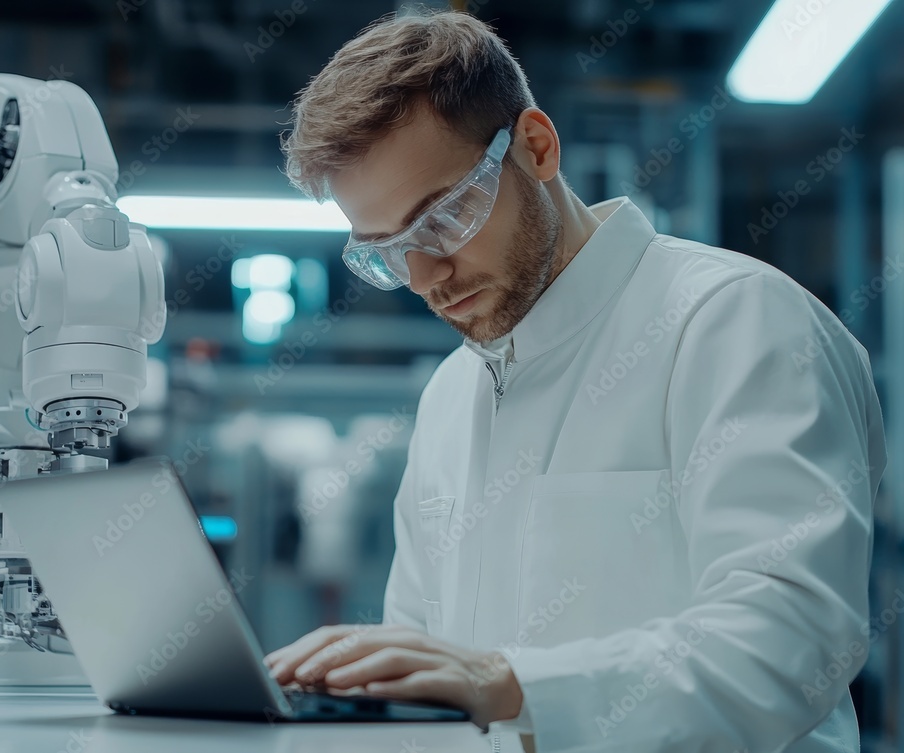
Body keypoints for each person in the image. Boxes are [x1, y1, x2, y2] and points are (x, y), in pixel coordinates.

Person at [262, 10, 887, 753]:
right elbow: (424, 671)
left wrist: (510, 683)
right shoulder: (451, 396)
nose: (424, 276)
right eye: (386, 251)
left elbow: (790, 640)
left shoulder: (735, 323)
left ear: (536, 145)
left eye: (444, 216)